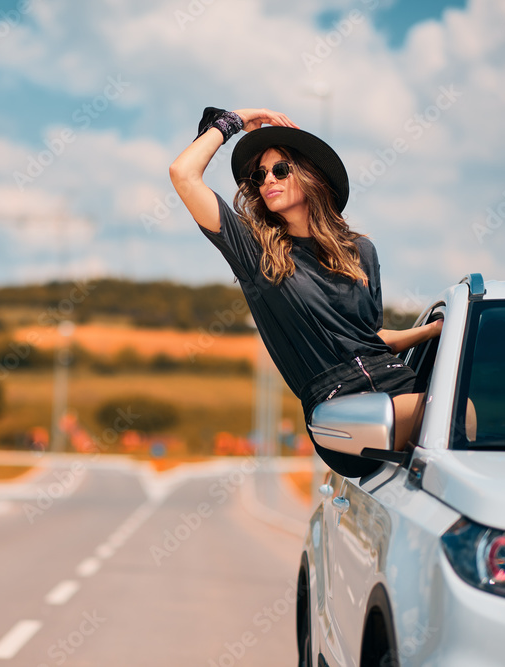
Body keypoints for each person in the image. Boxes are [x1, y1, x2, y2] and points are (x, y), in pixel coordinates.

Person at [169, 107, 443, 477]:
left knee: (471, 412)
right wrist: (233, 121)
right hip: (340, 408)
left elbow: (369, 338)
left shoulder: (361, 251)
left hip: (398, 383)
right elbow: (183, 175)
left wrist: (428, 332)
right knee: (456, 414)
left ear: (312, 177)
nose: (268, 179)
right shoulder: (255, 252)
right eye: (259, 174)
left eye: (280, 169)